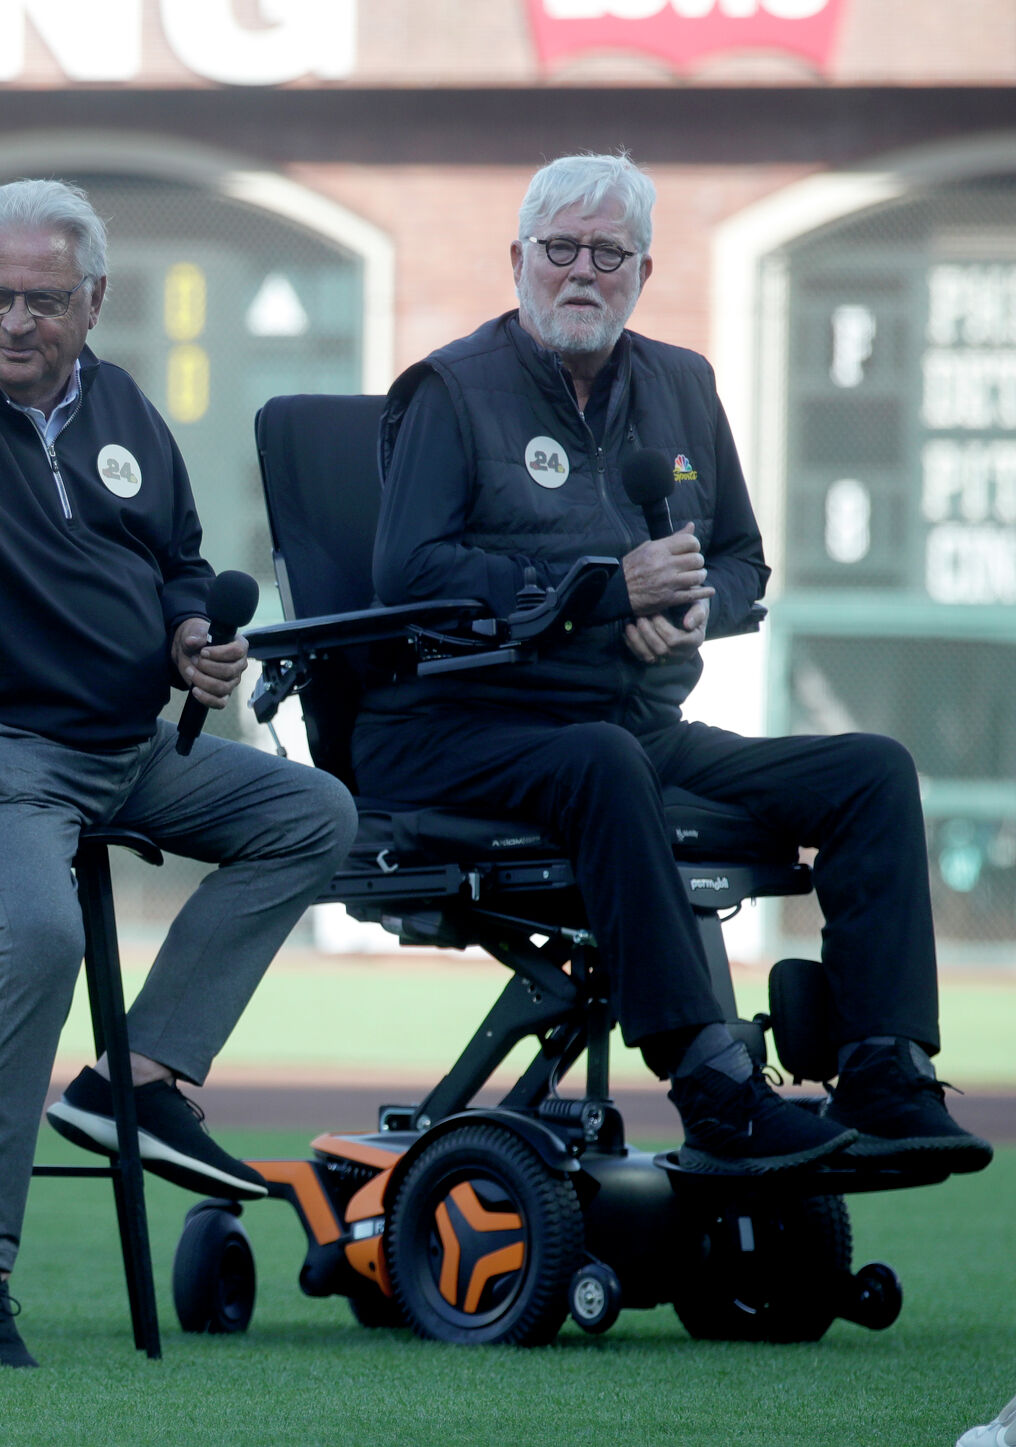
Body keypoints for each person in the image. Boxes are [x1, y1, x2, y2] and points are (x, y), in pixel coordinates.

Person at [0, 178, 356, 1367]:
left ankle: (132, 1079)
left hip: (109, 746)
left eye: (41, 300)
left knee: (311, 811)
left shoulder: (124, 408)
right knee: (39, 935)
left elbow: (178, 561)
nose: (12, 320)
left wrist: (189, 635)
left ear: (92, 302)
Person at [358, 151, 991, 1177]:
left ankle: (884, 1069)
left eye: (608, 253)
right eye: (560, 248)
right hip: (457, 731)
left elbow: (741, 561)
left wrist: (696, 610)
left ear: (643, 273)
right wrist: (607, 592)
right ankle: (716, 1091)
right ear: (517, 260)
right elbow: (409, 573)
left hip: (634, 728)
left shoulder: (683, 386)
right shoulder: (451, 389)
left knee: (870, 770)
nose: (581, 270)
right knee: (603, 759)